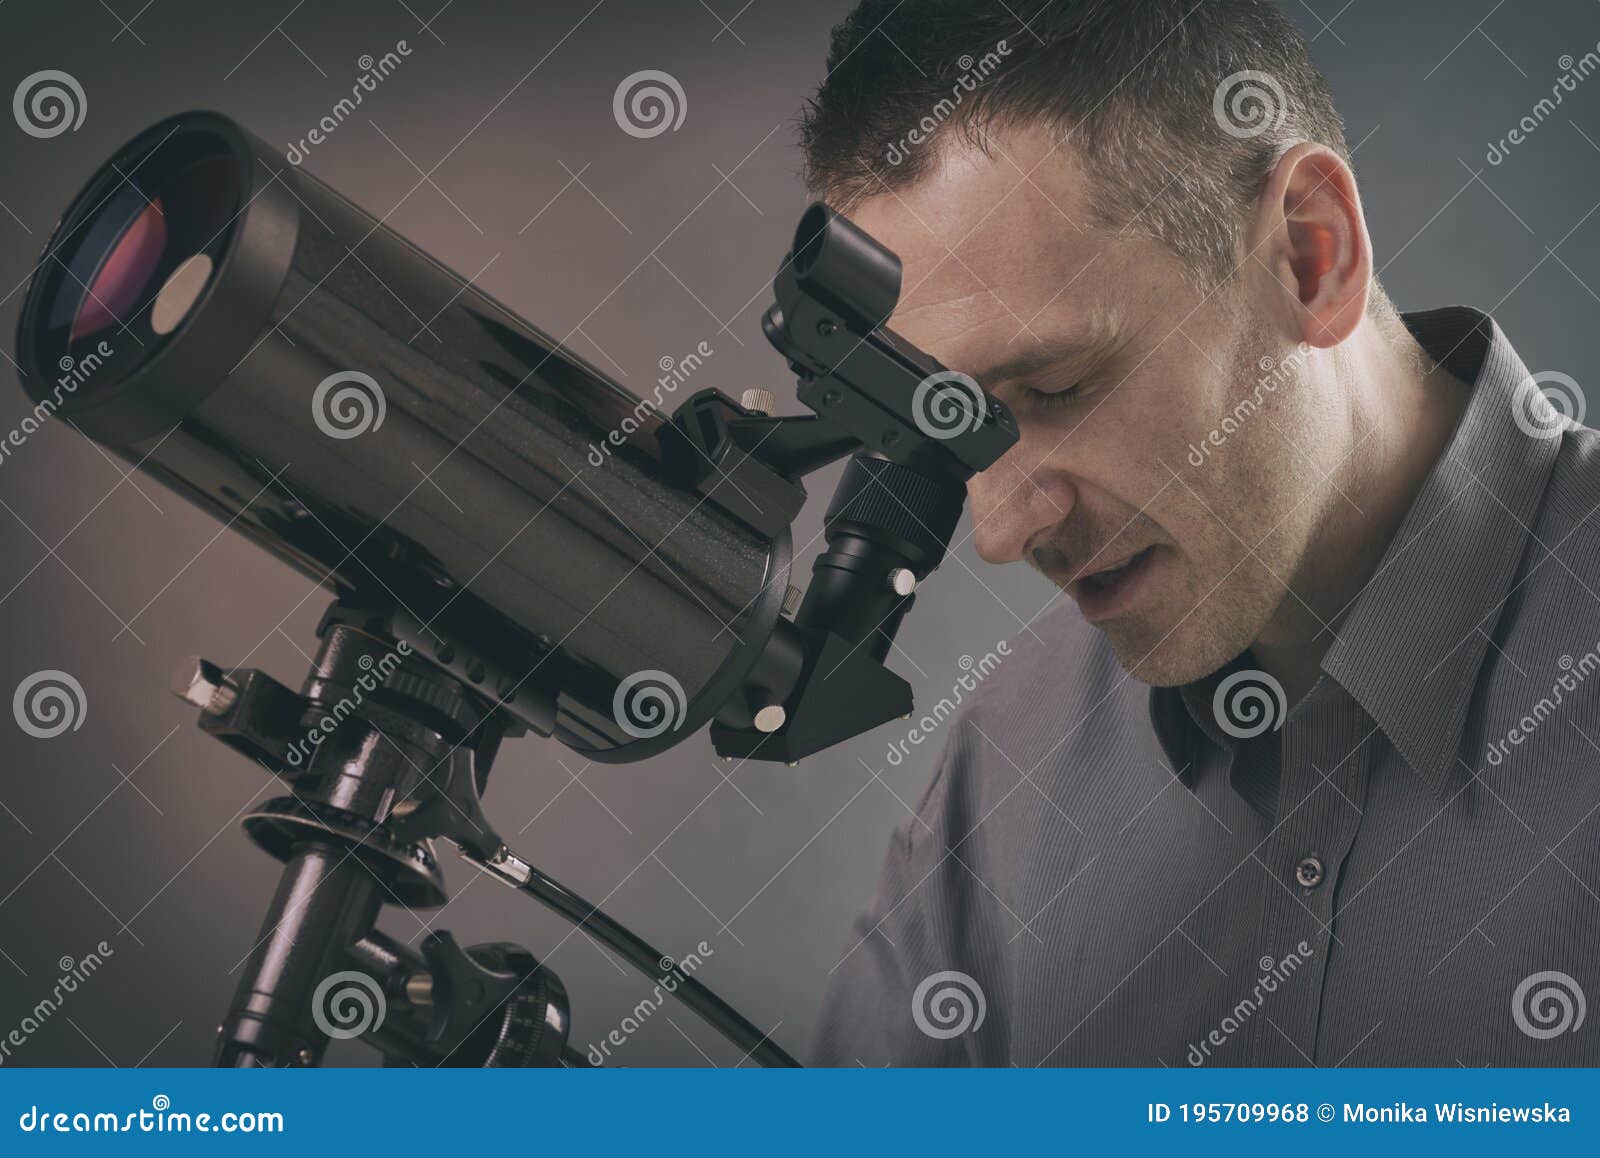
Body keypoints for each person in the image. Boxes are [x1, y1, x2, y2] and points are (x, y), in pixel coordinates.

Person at [805, 0, 1600, 1066]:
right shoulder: (1002, 774)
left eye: (1054, 386)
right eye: (946, 430)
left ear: (1311, 255)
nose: (995, 528)